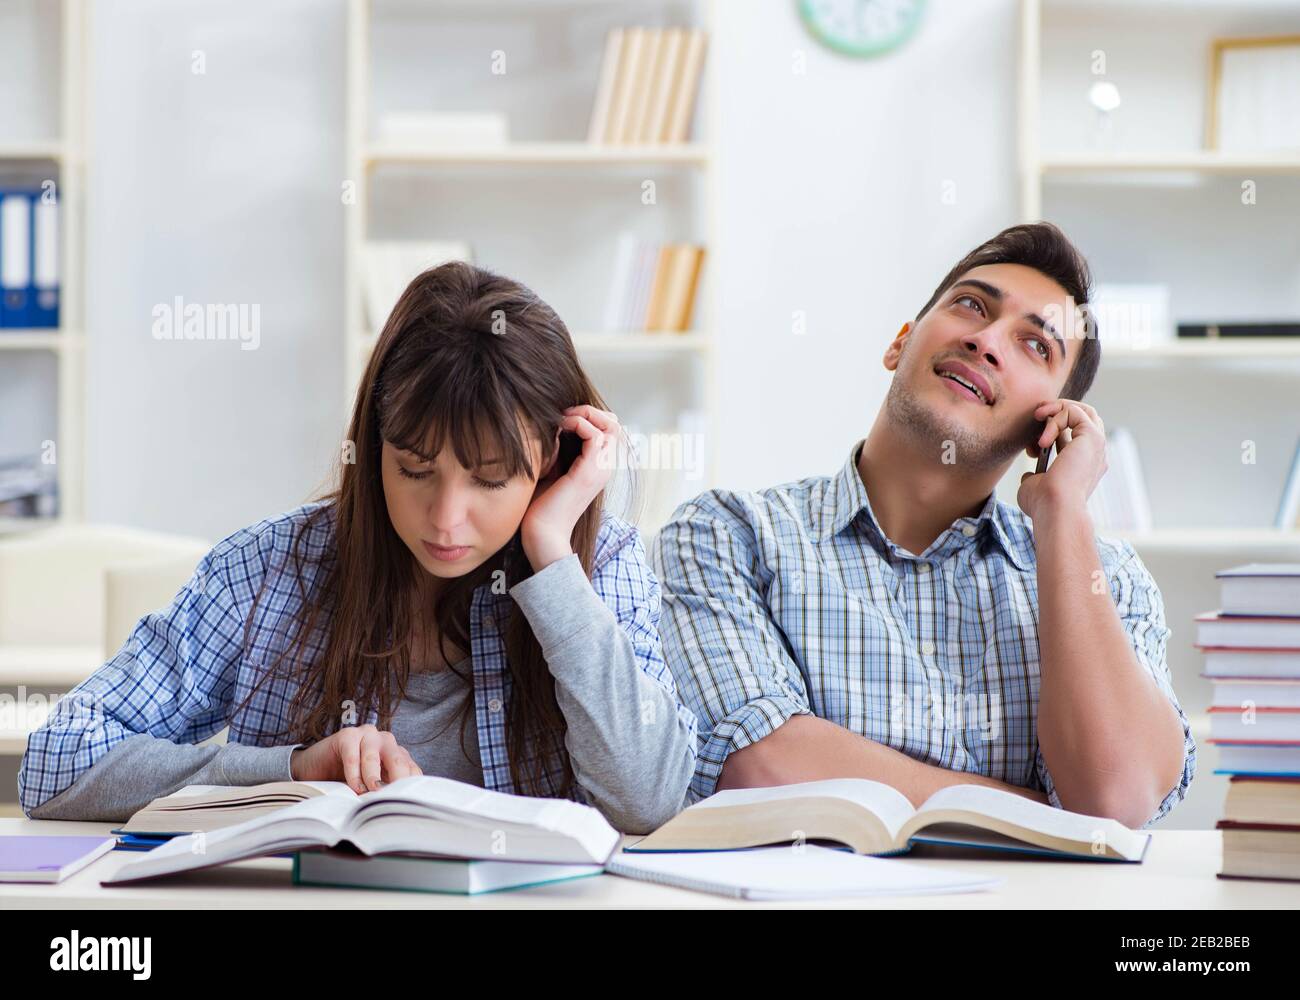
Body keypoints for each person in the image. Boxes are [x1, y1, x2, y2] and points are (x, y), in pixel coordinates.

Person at [20, 261, 698, 834]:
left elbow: (648, 800)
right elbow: (55, 765)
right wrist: (288, 772)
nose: (446, 519)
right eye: (415, 470)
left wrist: (550, 557)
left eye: (490, 479)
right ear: (374, 446)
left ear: (553, 459)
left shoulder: (593, 564)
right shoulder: (269, 569)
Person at [652, 221, 1195, 830]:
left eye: (1035, 346)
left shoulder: (1109, 581)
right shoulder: (728, 535)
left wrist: (1063, 512)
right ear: (899, 344)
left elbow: (1118, 796)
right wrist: (1059, 822)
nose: (987, 341)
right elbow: (762, 768)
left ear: (1051, 423)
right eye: (971, 305)